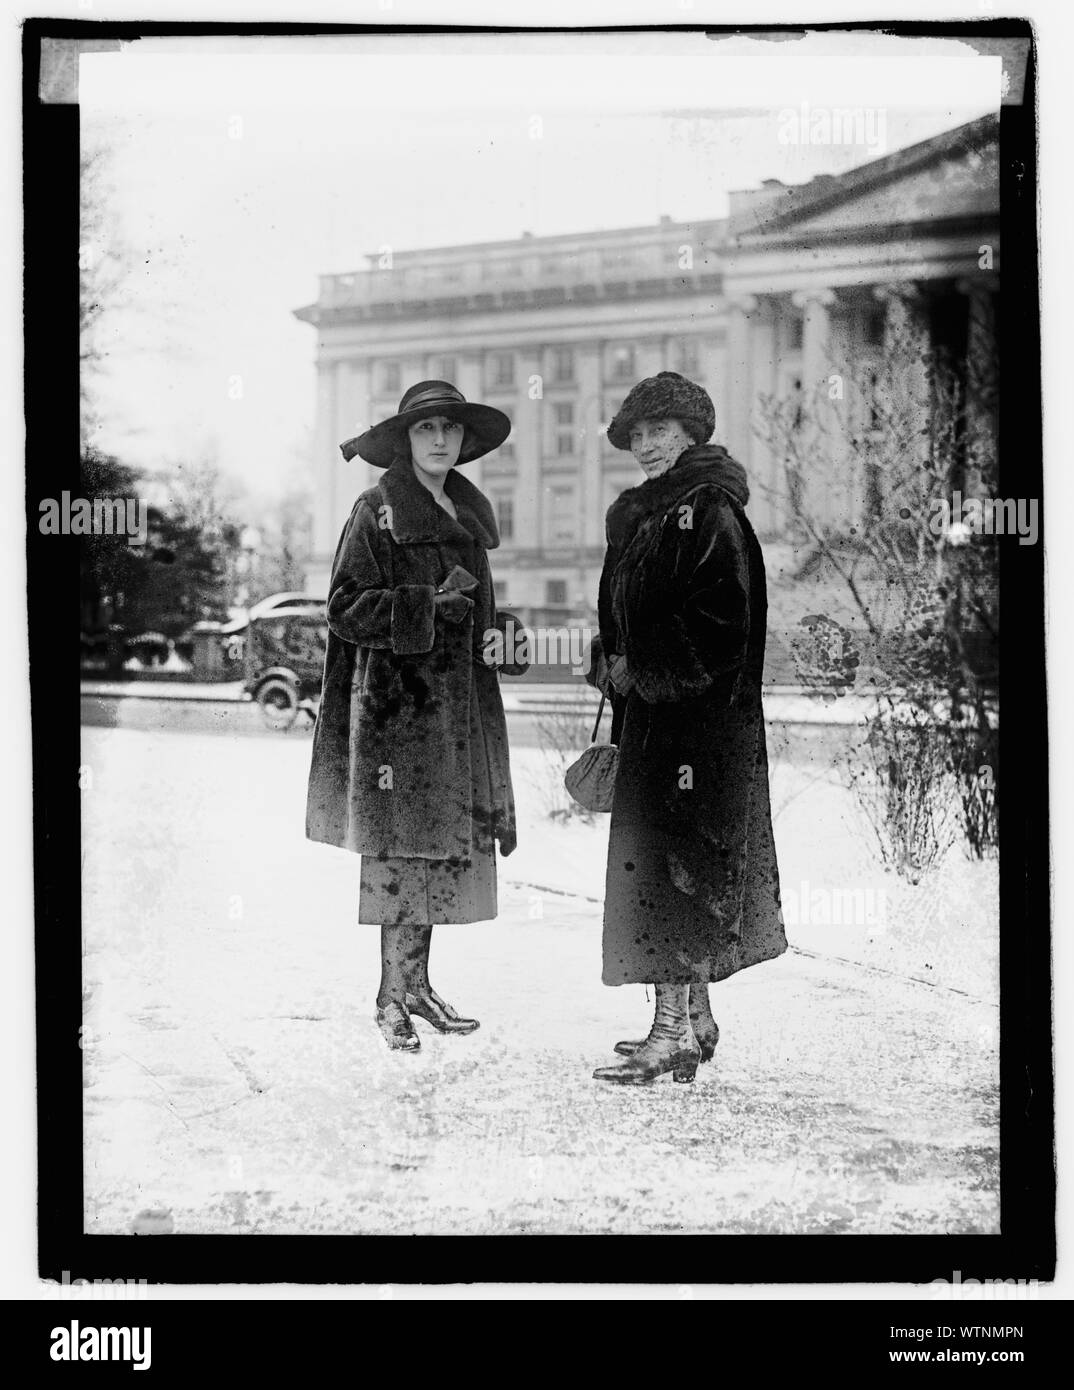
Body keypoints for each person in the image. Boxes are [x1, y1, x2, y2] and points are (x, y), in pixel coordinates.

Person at [306, 380, 527, 1051]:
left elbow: (476, 616)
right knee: (400, 856)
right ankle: (388, 999)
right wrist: (429, 607)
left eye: (450, 430)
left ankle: (419, 986)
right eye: (426, 428)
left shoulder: (464, 518)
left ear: (463, 443)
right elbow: (344, 606)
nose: (439, 440)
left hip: (457, 717)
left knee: (434, 855)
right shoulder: (376, 510)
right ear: (405, 439)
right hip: (397, 719)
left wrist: (502, 636)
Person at [586, 371, 788, 1085]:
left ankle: (670, 1031)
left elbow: (721, 626)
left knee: (672, 873)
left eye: (660, 430)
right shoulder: (642, 515)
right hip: (656, 725)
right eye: (637, 434)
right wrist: (609, 658)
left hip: (697, 732)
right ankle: (694, 1019)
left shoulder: (710, 511)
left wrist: (642, 667)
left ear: (692, 433)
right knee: (671, 868)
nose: (646, 445)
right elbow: (622, 611)